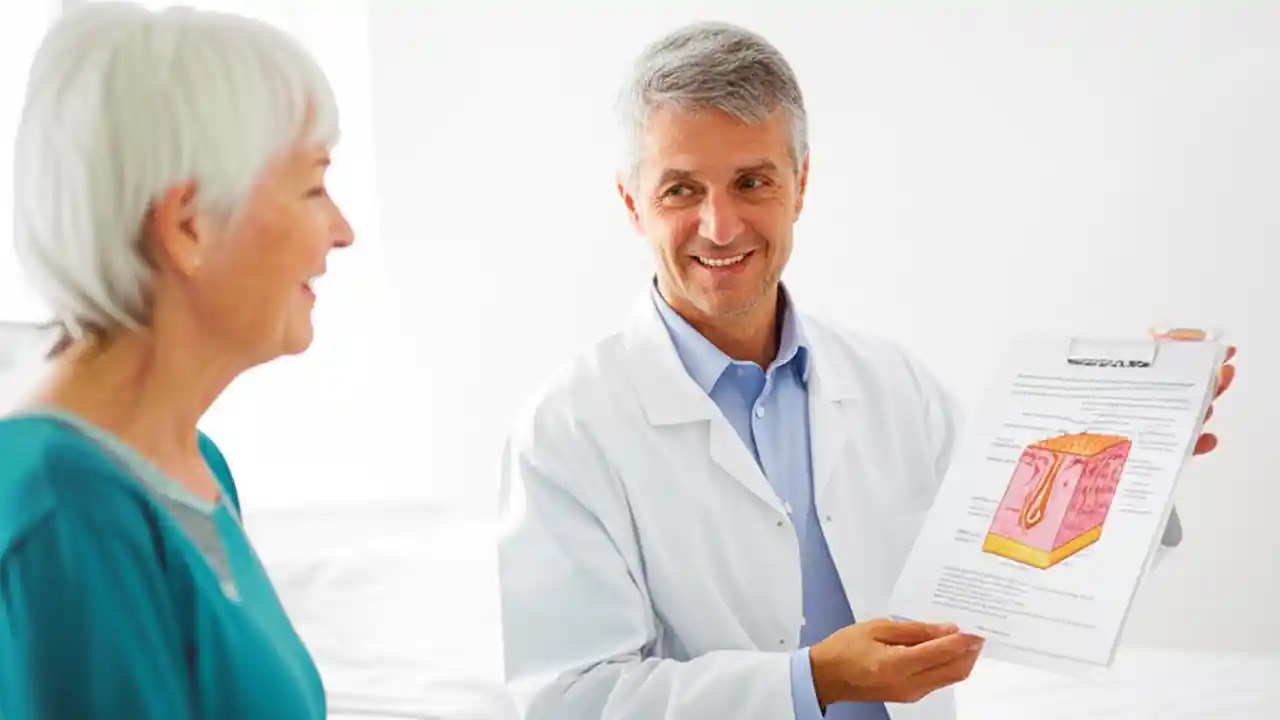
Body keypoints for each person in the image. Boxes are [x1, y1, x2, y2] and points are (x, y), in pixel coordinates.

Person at [495, 20, 1236, 720]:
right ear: (632, 203)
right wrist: (810, 681)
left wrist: (1137, 453)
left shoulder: (896, 389)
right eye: (682, 189)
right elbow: (571, 699)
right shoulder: (567, 429)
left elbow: (1023, 577)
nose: (719, 226)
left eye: (753, 182)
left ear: (801, 183)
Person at [0, 3, 353, 718]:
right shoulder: (62, 509)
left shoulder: (198, 466)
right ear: (188, 225)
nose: (342, 231)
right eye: (314, 185)